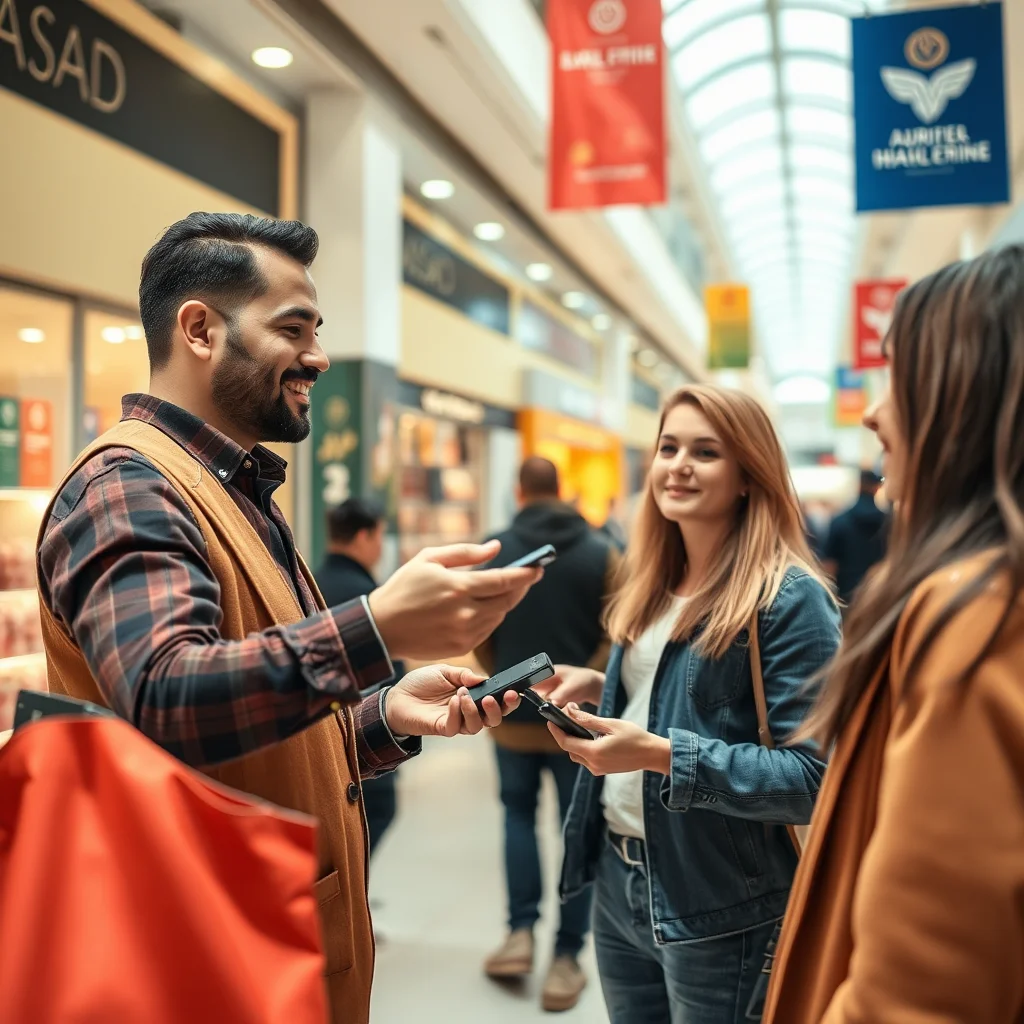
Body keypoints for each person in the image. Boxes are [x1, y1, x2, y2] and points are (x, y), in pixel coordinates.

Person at [34, 212, 541, 1024]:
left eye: (318, 329)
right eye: (292, 328)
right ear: (198, 329)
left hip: (269, 951)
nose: (319, 355)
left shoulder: (235, 490)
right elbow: (166, 698)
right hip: (198, 962)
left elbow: (247, 733)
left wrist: (377, 717)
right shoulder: (127, 487)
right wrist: (377, 631)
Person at [764, 248, 1024, 1023]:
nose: (873, 412)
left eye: (897, 379)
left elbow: (919, 991)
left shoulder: (974, 620)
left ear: (963, 403)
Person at [535, 384, 841, 1024]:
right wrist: (603, 686)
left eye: (705, 452)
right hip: (620, 879)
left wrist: (654, 752)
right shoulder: (653, 580)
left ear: (748, 477)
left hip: (722, 901)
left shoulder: (788, 598)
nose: (678, 465)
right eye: (668, 446)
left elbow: (811, 778)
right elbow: (681, 693)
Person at [475, 456, 619, 1013]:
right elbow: (620, 630)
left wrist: (509, 679)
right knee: (575, 830)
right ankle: (565, 959)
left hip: (510, 713)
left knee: (516, 816)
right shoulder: (604, 551)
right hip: (574, 722)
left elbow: (479, 629)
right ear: (560, 491)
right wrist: (572, 682)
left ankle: (519, 935)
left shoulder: (494, 548)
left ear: (519, 490)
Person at [315, 497, 403, 859]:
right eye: (380, 535)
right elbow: (390, 676)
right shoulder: (370, 598)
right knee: (375, 814)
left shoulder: (306, 583)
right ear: (364, 536)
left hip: (314, 735)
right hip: (362, 733)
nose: (381, 546)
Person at [822, 469, 888, 605]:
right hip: (879, 593)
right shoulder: (888, 522)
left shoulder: (840, 521)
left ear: (858, 486)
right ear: (876, 488)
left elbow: (829, 565)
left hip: (847, 594)